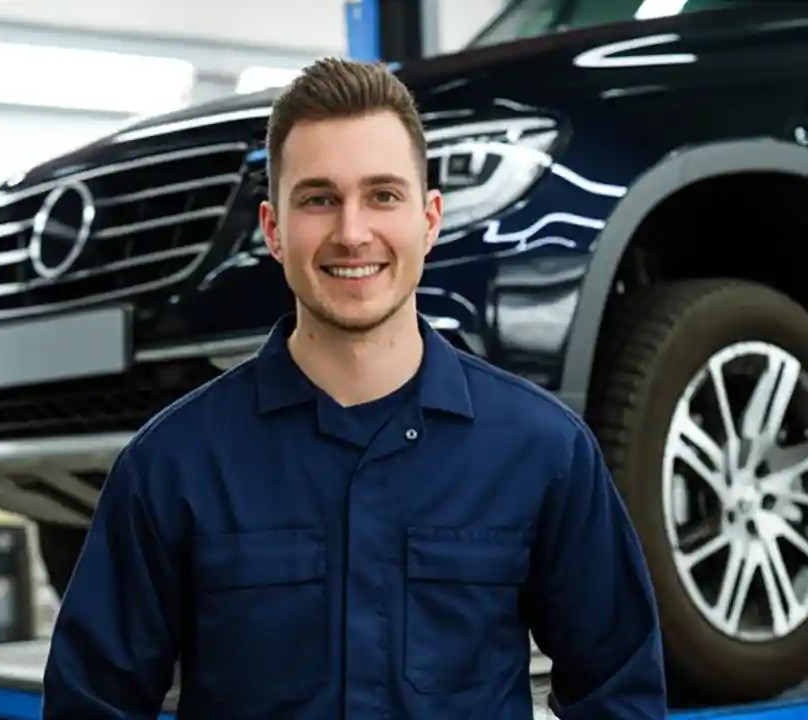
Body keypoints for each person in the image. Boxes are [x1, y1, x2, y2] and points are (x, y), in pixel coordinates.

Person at [41, 57, 668, 719]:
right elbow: (92, 704)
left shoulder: (544, 453)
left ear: (429, 219)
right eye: (318, 198)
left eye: (383, 195)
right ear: (273, 229)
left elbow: (620, 691)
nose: (352, 232)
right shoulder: (172, 466)